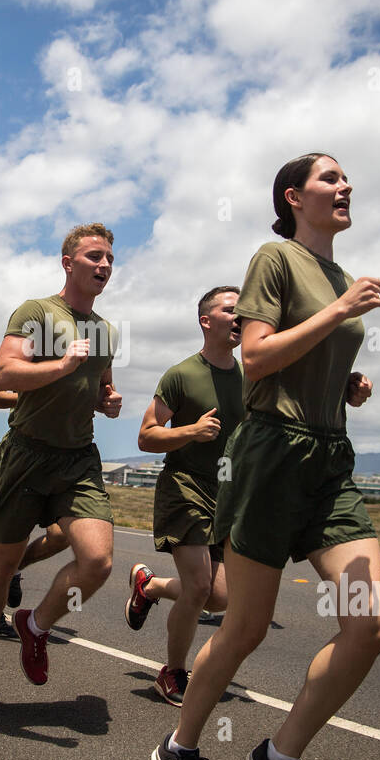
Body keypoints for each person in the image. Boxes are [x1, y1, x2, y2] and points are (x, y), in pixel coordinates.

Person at [151, 153, 380, 760]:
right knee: (245, 628)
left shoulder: (340, 276)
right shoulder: (275, 258)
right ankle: (179, 745)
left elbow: (306, 357)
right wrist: (339, 312)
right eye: (331, 178)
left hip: (329, 456)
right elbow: (255, 358)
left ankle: (278, 756)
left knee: (371, 626)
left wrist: (345, 385)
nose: (347, 186)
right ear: (293, 196)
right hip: (271, 452)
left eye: (346, 178)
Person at [0, 224, 122, 710]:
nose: (104, 265)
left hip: (78, 458)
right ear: (68, 263)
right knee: (2, 563)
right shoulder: (37, 312)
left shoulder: (107, 330)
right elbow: (4, 373)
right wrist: (60, 366)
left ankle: (34, 625)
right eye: (94, 256)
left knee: (97, 561)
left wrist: (106, 400)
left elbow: (98, 388)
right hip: (27, 454)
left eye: (110, 259)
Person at [127, 286, 243, 705]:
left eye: (244, 310)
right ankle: (172, 672)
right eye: (231, 309)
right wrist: (190, 432)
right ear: (206, 320)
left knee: (219, 598)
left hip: (226, 496)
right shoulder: (182, 374)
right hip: (184, 486)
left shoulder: (250, 377)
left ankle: (150, 587)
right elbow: (146, 435)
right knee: (197, 587)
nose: (241, 316)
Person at [0, 385, 72, 638]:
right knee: (7, 545)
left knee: (61, 535)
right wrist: (38, 397)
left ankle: (15, 569)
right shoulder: (33, 351)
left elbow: (102, 396)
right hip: (24, 456)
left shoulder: (89, 357)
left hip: (66, 459)